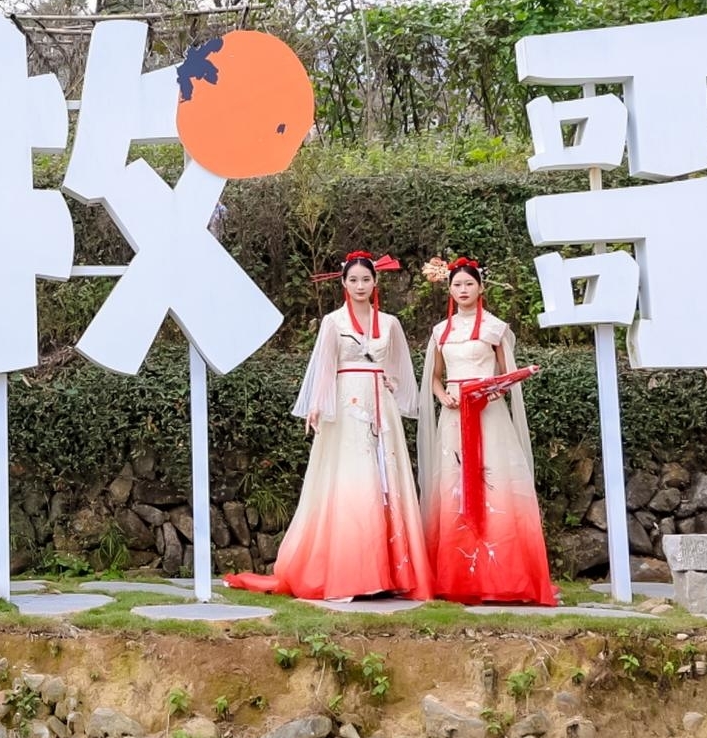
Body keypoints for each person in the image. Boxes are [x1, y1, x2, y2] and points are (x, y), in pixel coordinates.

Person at [227, 253, 434, 602]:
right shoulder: (332, 322)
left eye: (365, 279)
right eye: (353, 280)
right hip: (346, 404)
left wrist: (393, 385)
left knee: (386, 480)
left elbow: (399, 367)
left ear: (375, 282)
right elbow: (324, 367)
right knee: (353, 479)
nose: (360, 286)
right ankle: (355, 572)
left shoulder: (390, 323)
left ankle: (391, 573)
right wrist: (317, 406)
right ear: (343, 283)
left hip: (380, 404)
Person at [416, 258, 555, 606]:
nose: (463, 290)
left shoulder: (495, 328)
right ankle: (457, 575)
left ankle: (502, 575)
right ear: (449, 290)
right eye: (457, 285)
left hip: (488, 413)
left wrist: (494, 391)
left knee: (494, 481)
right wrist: (443, 396)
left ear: (480, 287)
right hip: (453, 414)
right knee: (455, 482)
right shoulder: (440, 331)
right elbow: (435, 377)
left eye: (469, 284)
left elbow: (508, 375)